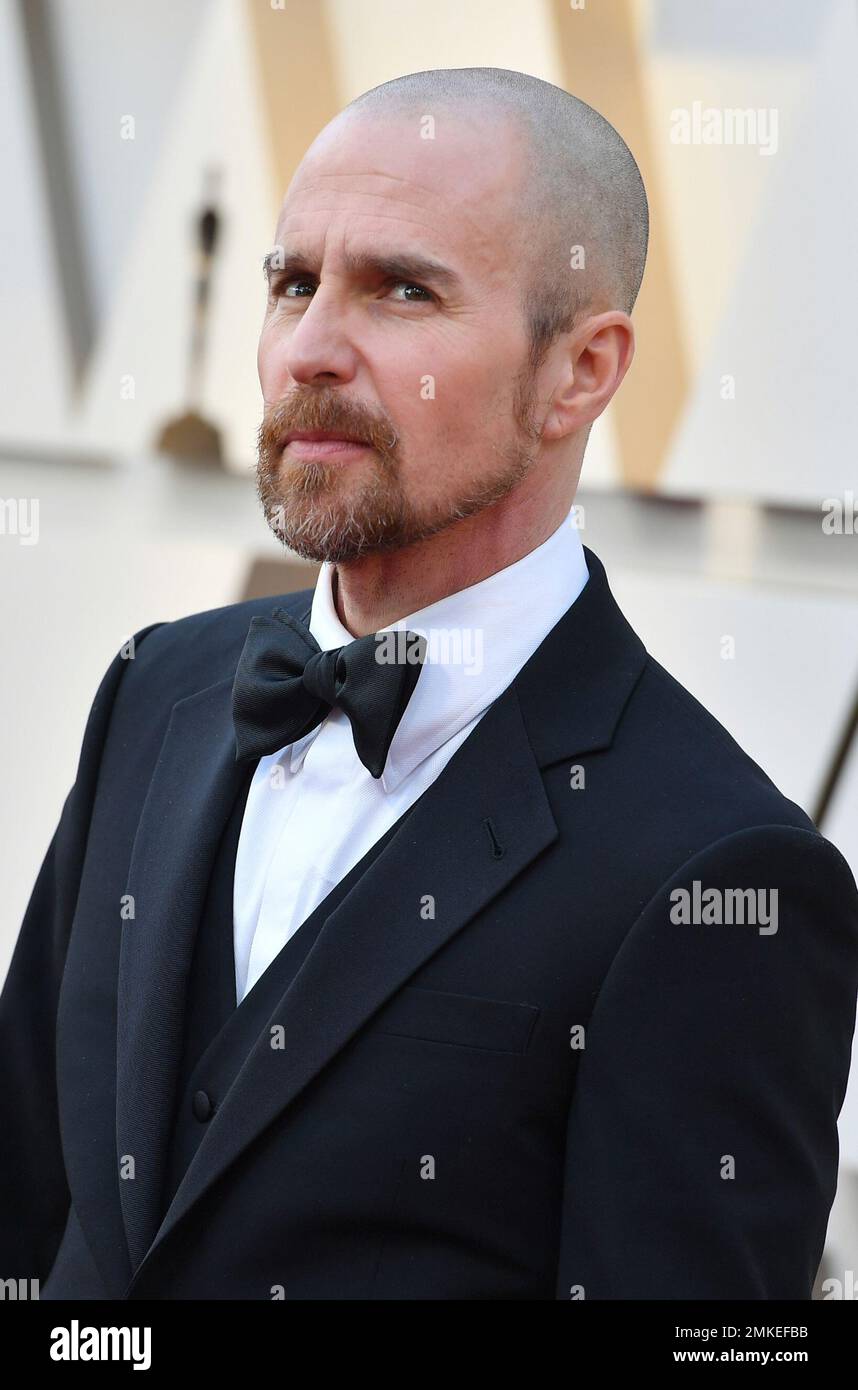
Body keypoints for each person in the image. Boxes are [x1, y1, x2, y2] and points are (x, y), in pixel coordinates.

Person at [2, 67, 856, 1301]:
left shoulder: (718, 870)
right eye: (293, 283)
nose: (310, 349)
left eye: (403, 290)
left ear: (580, 372)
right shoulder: (157, 690)